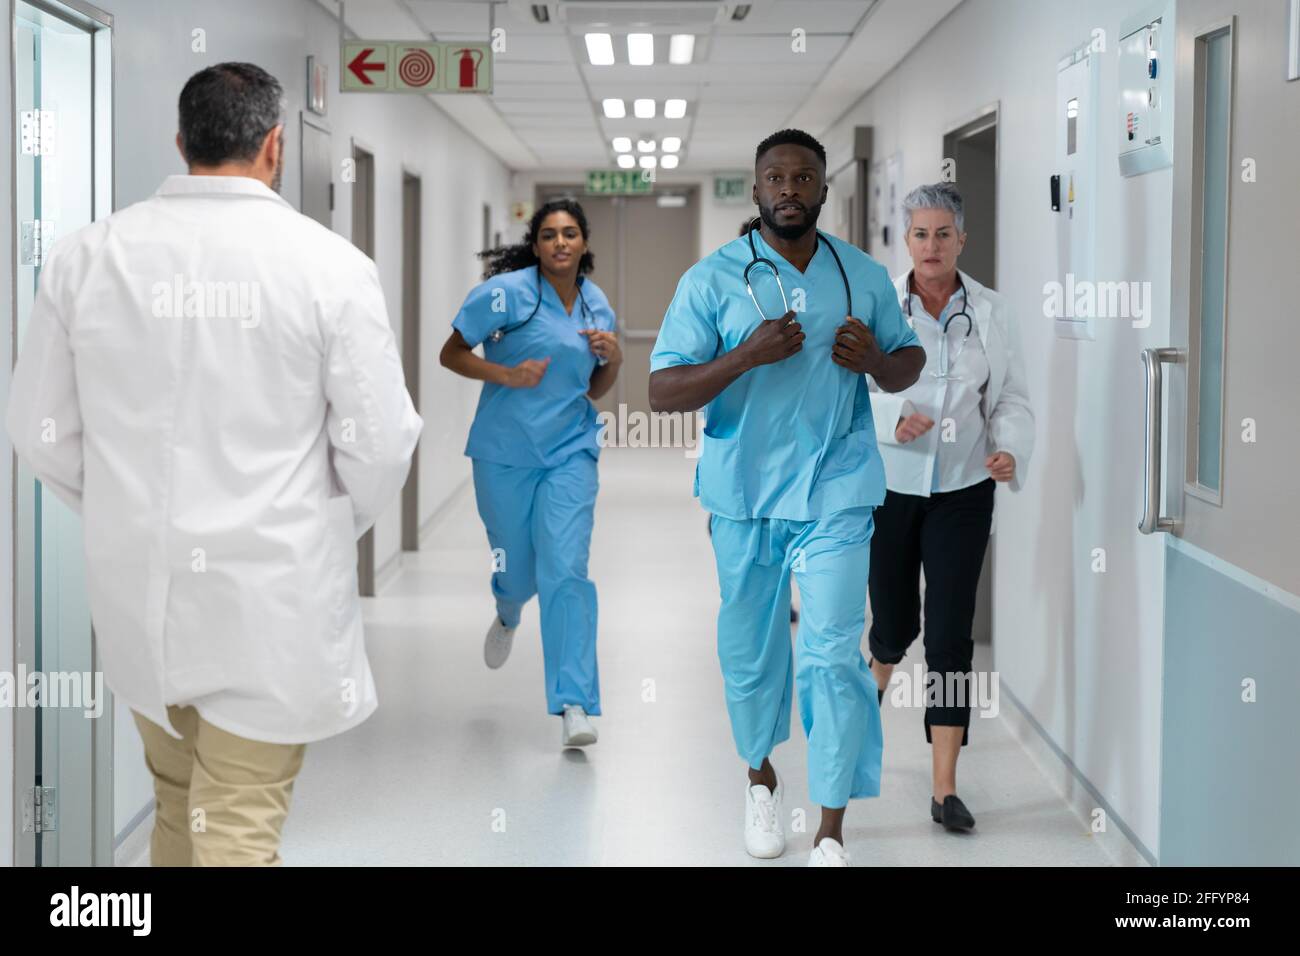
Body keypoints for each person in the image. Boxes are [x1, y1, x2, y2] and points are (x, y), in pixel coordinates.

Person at [5, 62, 422, 865]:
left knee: (178, 809)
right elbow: (380, 443)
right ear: (275, 145)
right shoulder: (330, 266)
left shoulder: (87, 257)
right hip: (269, 607)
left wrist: (127, 510)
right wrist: (327, 521)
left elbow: (40, 430)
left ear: (180, 142)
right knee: (233, 827)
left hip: (138, 605)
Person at [649, 129, 925, 866]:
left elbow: (907, 361)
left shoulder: (861, 274)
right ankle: (762, 783)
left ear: (825, 189)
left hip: (837, 490)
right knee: (751, 653)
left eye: (804, 177)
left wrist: (874, 361)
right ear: (756, 189)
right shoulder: (712, 280)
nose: (790, 190)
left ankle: (831, 831)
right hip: (743, 495)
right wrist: (744, 355)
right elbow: (660, 389)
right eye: (775, 178)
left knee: (833, 655)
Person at [866, 182, 1034, 832]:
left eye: (943, 234)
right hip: (892, 487)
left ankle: (945, 787)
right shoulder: (880, 305)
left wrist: (1010, 448)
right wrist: (892, 414)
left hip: (965, 490)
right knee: (894, 626)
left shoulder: (994, 312)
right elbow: (851, 389)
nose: (931, 246)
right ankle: (862, 714)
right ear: (904, 240)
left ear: (962, 240)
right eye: (920, 234)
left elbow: (1013, 397)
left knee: (950, 638)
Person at [440, 199, 621, 749]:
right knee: (518, 571)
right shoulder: (506, 294)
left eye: (570, 234)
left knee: (566, 569)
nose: (560, 243)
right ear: (535, 245)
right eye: (549, 235)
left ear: (584, 242)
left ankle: (574, 703)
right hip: (504, 453)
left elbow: (593, 387)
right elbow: (451, 353)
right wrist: (506, 374)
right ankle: (507, 606)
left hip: (570, 451)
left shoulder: (596, 305)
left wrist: (612, 357)